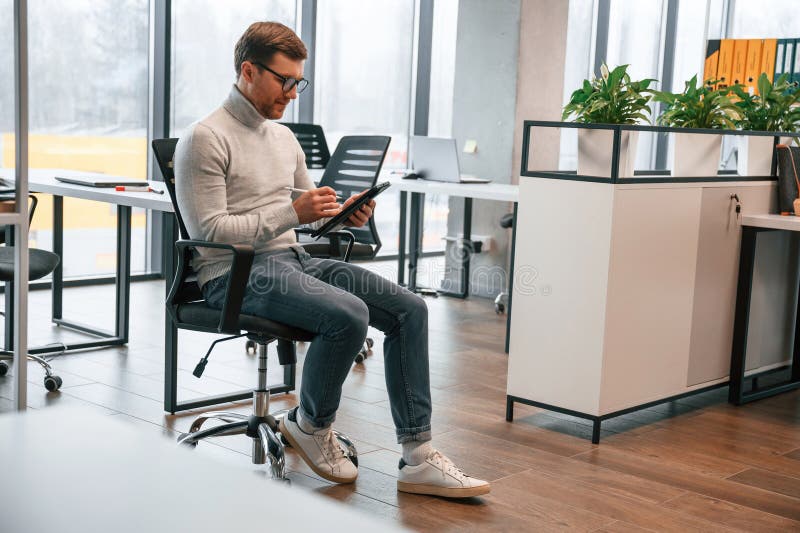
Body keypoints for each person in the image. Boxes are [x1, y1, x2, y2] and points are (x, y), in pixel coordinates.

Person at [174, 21, 489, 499]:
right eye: (284, 80)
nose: (292, 93)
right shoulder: (205, 137)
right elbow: (210, 233)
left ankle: (418, 457)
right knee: (349, 314)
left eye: (298, 82)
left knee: (410, 309)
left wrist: (343, 215)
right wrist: (293, 212)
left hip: (292, 259)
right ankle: (310, 424)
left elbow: (307, 217)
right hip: (233, 275)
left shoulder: (283, 139)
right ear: (248, 71)